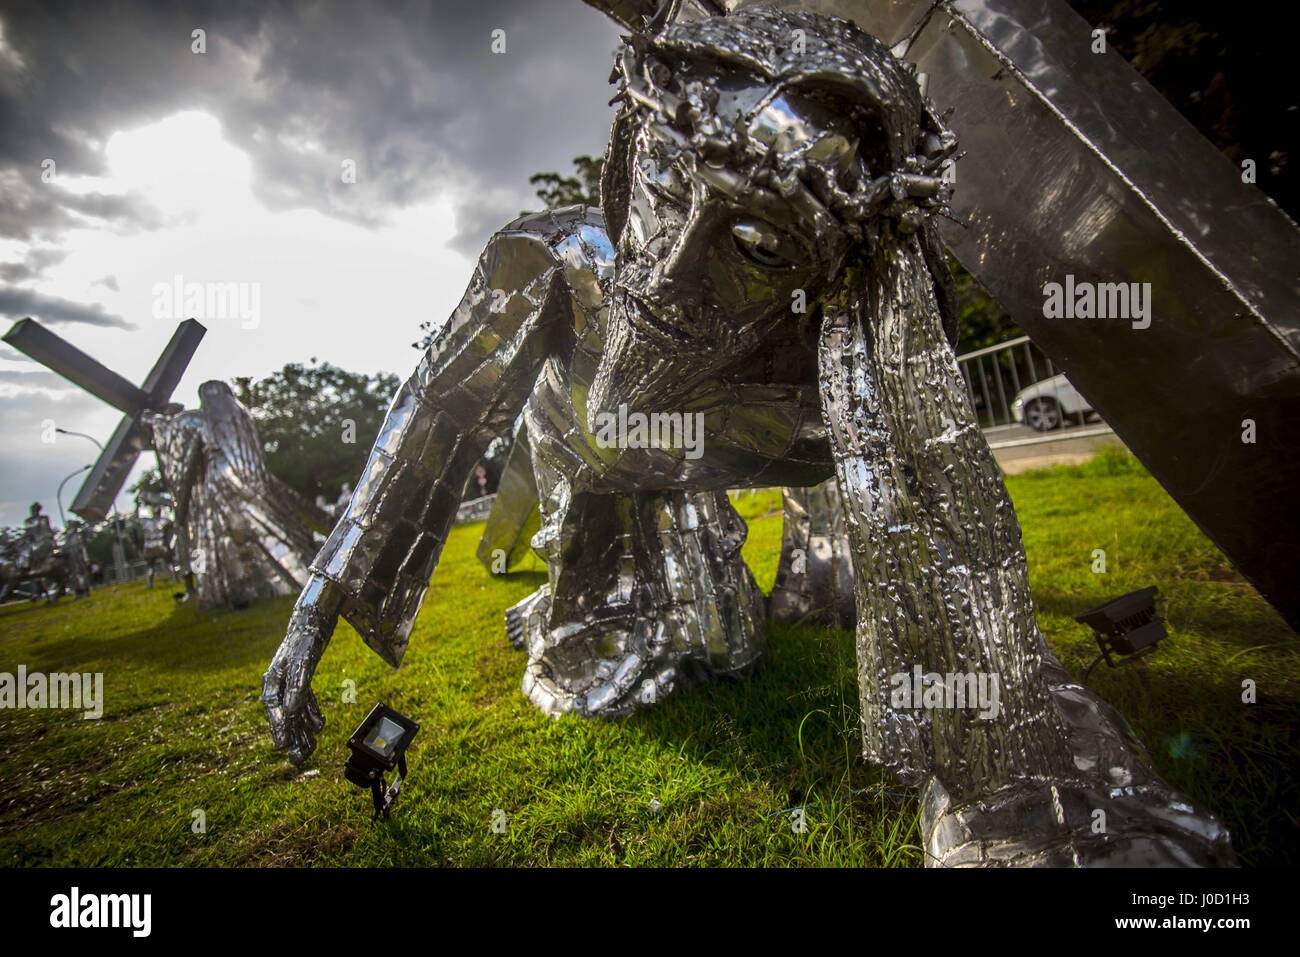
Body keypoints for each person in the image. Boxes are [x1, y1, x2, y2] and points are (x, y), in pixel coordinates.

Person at [263, 9, 1232, 866]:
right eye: (673, 194)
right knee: (664, 657)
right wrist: (309, 617)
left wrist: (1025, 783)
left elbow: (948, 548)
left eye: (755, 243)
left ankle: (805, 586)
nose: (676, 279)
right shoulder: (550, 259)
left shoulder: (853, 335)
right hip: (606, 470)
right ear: (633, 156)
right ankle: (608, 587)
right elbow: (432, 415)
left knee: (753, 633)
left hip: (730, 450)